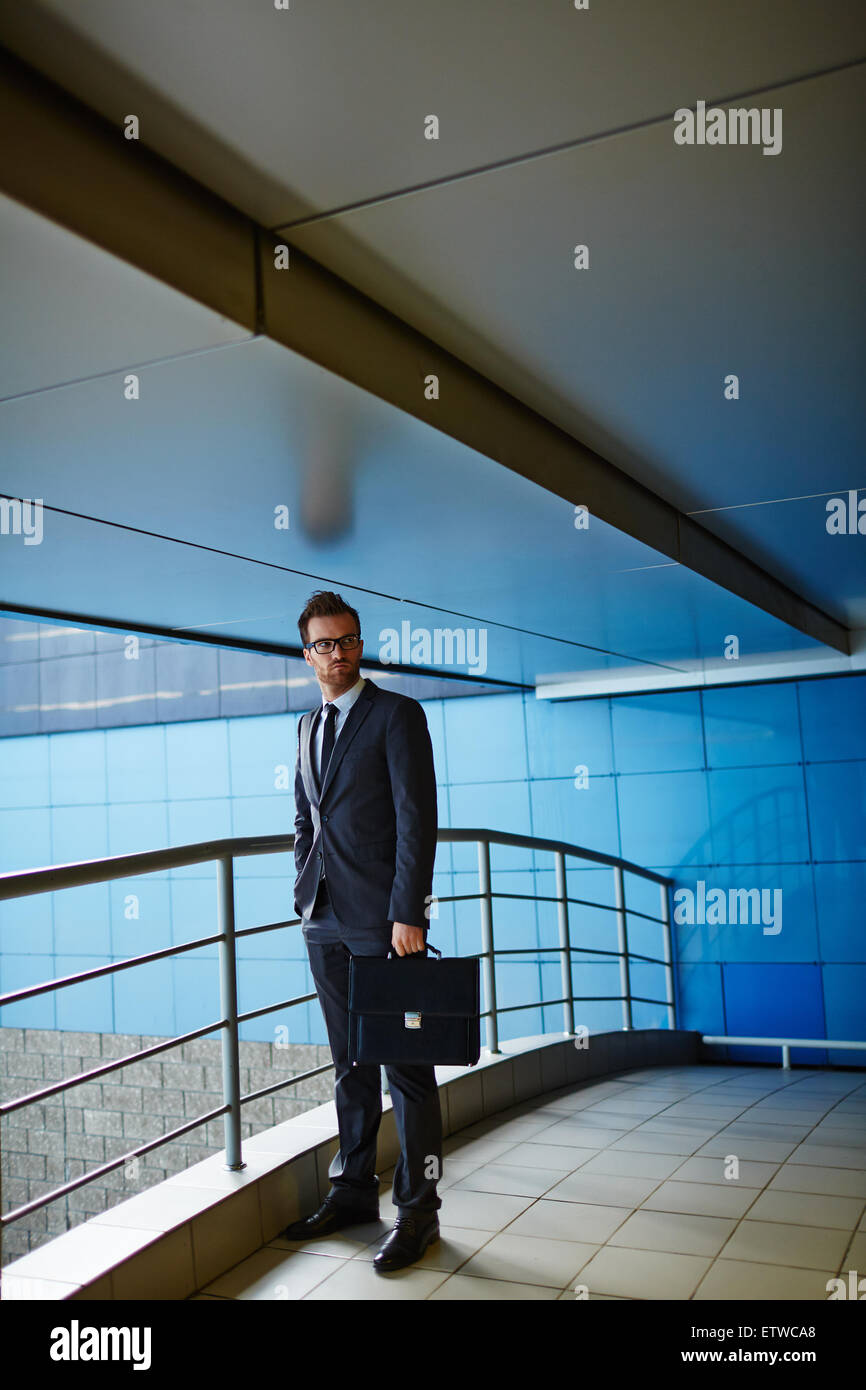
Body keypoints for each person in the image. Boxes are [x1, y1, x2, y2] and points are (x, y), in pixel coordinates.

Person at [281, 589, 442, 1271]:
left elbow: (417, 817)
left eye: (348, 640)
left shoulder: (396, 715)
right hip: (323, 919)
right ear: (307, 652)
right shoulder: (305, 724)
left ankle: (418, 1212)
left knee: (406, 1069)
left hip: (384, 921)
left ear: (359, 644)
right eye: (325, 643)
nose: (339, 653)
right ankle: (352, 1192)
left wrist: (410, 911)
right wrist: (302, 886)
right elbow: (303, 817)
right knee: (349, 1061)